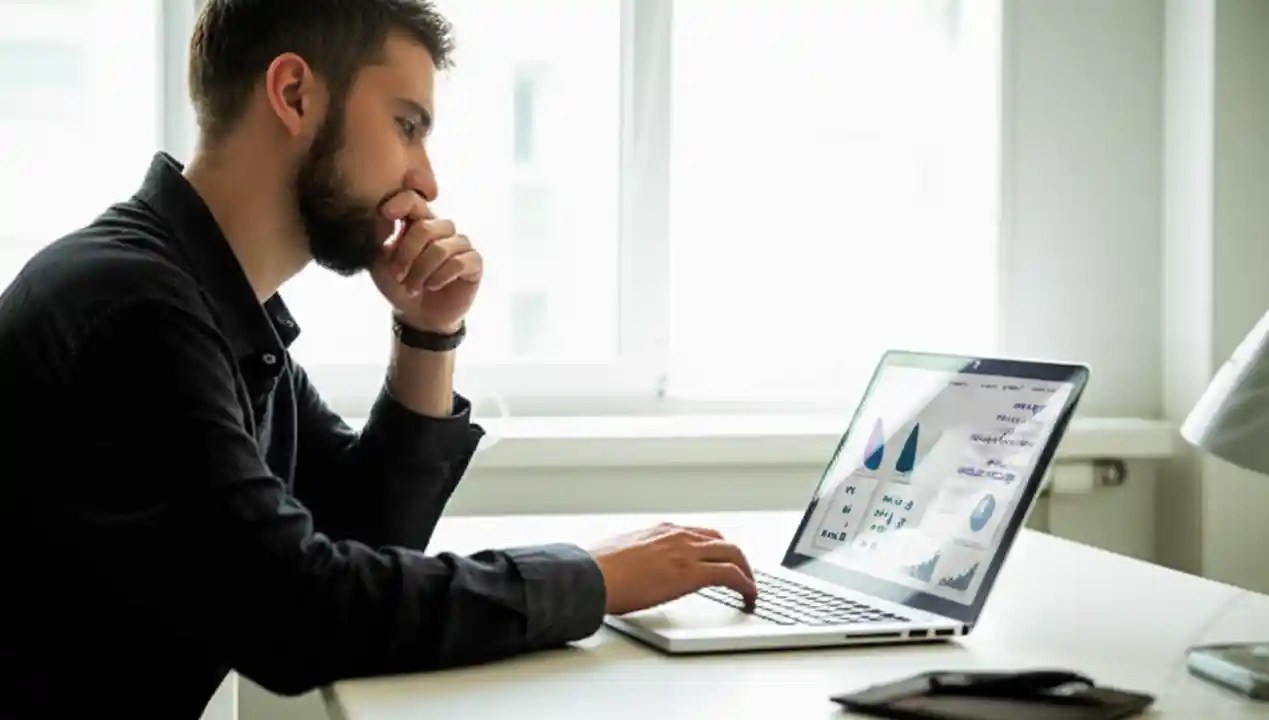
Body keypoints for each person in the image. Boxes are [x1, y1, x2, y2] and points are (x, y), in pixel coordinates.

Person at [0, 1, 757, 717]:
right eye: (407, 124)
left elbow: (359, 546)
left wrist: (428, 335)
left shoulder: (210, 307)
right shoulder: (134, 309)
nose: (426, 179)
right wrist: (591, 578)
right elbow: (300, 612)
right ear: (294, 93)